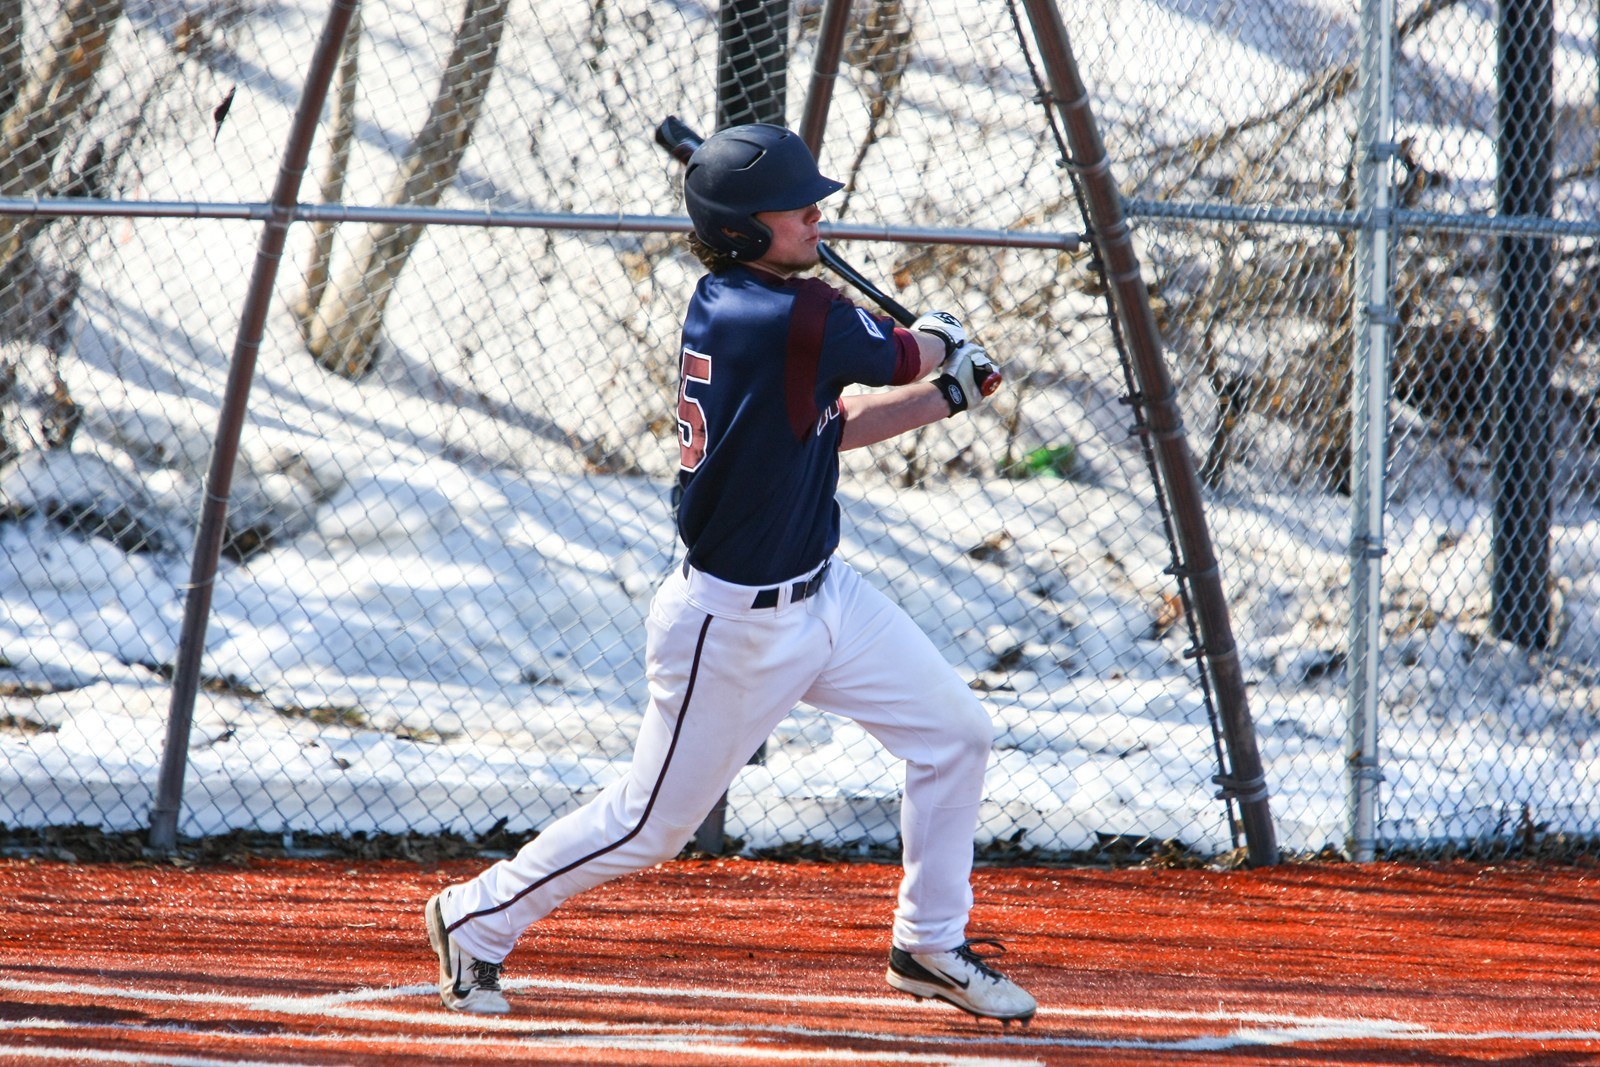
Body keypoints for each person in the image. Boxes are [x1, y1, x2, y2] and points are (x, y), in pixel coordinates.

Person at [426, 122, 1036, 1026]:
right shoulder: (788, 317)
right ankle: (474, 916)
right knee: (650, 825)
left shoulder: (750, 306)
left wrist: (944, 394)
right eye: (797, 209)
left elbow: (827, 426)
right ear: (745, 229)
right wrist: (940, 344)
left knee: (955, 734)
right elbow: (896, 353)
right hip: (733, 626)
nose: (817, 218)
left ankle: (929, 945)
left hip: (826, 593)